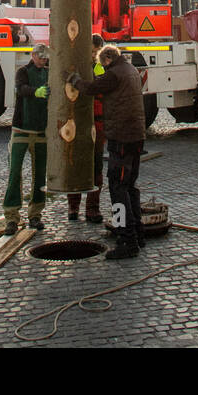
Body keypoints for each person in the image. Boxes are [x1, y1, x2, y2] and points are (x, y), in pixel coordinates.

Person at [69, 44, 146, 260]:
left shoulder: (114, 74)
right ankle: (138, 233)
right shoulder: (131, 71)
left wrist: (73, 80)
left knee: (117, 188)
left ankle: (126, 238)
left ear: (108, 60)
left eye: (103, 64)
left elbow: (90, 88)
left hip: (121, 136)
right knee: (130, 186)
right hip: (136, 136)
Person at [2, 43, 50, 236]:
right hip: (21, 129)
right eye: (40, 57)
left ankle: (35, 214)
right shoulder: (23, 71)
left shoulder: (49, 71)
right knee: (15, 173)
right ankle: (11, 216)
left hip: (41, 131)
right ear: (33, 55)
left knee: (40, 175)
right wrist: (35, 92)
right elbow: (20, 89)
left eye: (45, 57)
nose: (43, 60)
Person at [67, 34, 105, 224]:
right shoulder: (78, 66)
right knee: (76, 166)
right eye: (91, 51)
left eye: (96, 52)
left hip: (97, 123)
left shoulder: (100, 68)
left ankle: (92, 208)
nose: (93, 55)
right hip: (78, 121)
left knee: (96, 167)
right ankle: (73, 207)